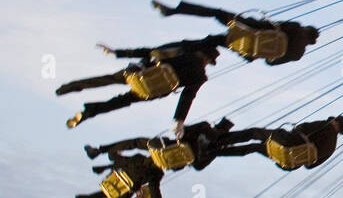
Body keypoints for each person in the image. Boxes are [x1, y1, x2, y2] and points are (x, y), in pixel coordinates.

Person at [60, 37, 222, 131]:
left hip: (142, 73)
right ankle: (88, 112)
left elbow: (151, 51)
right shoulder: (200, 76)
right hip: (152, 90)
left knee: (108, 79)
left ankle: (72, 87)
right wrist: (178, 121)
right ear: (207, 59)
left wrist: (116, 52)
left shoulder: (183, 50)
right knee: (121, 101)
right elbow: (187, 97)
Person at [151, 0, 319, 65]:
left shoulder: (297, 27)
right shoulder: (297, 55)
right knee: (213, 40)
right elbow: (270, 62)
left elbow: (273, 25)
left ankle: (175, 11)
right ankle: (175, 53)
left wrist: (251, 21)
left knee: (216, 13)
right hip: (247, 49)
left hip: (247, 29)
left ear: (307, 29)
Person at [83, 117, 235, 172]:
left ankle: (101, 152)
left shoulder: (205, 127)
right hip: (174, 161)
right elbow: (199, 166)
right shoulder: (215, 148)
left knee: (138, 143)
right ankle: (107, 163)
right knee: (143, 164)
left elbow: (183, 131)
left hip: (169, 148)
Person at [213, 116, 343, 171]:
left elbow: (302, 127)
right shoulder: (332, 148)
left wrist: (296, 132)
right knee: (254, 148)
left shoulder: (325, 126)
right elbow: (310, 166)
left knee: (254, 133)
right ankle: (218, 152)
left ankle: (218, 141)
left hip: (287, 142)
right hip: (289, 161)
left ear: (336, 122)